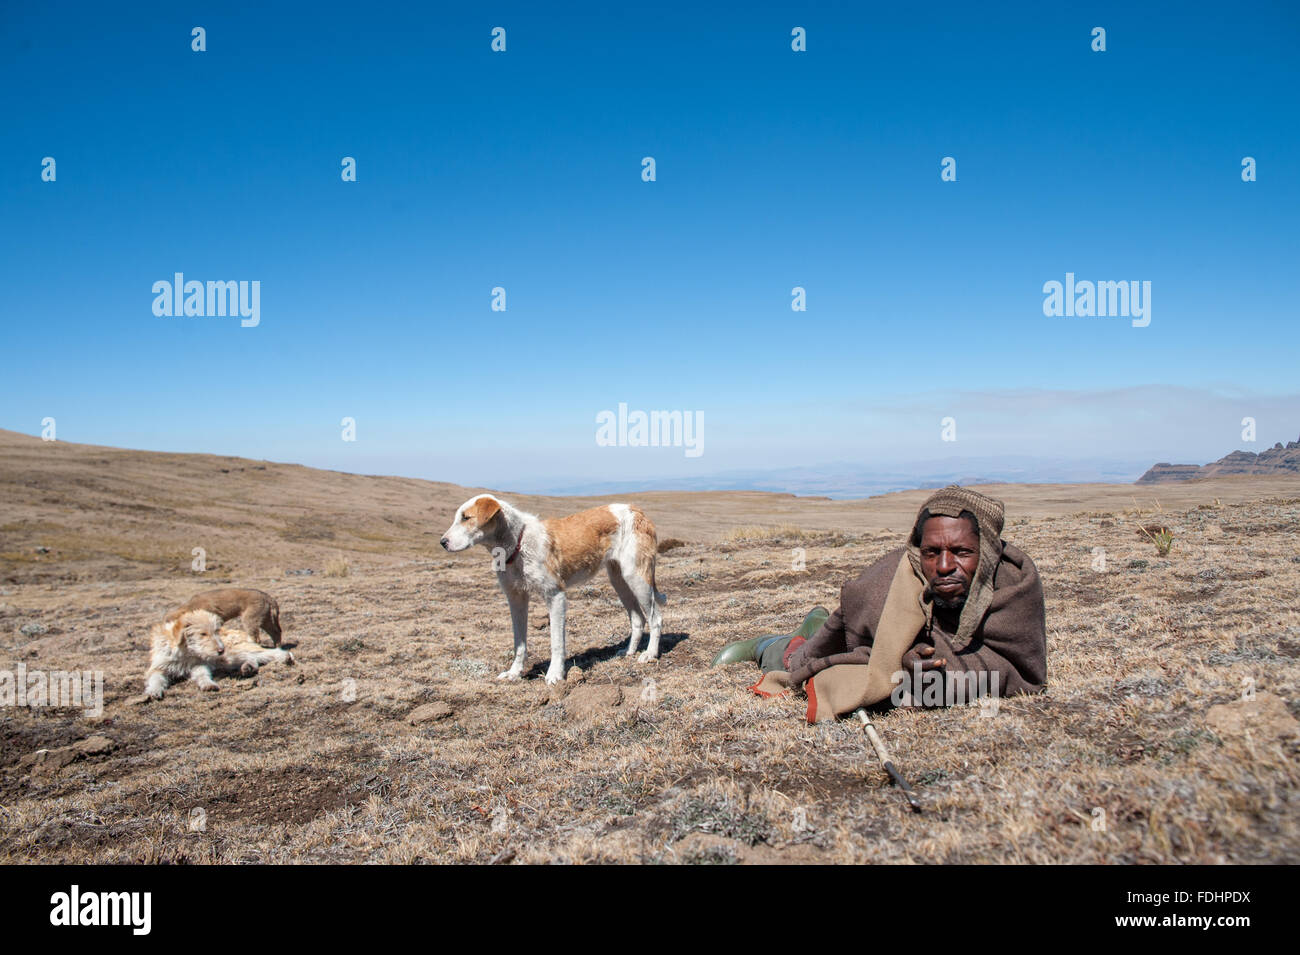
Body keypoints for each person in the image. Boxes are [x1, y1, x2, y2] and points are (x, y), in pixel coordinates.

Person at [713, 485, 1047, 722]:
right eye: (931, 552)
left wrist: (929, 669)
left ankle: (810, 622)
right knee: (796, 657)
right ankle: (766, 644)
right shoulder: (885, 583)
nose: (943, 566)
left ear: (987, 553)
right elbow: (838, 648)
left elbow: (1019, 670)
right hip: (849, 637)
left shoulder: (1014, 587)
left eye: (961, 552)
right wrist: (900, 660)